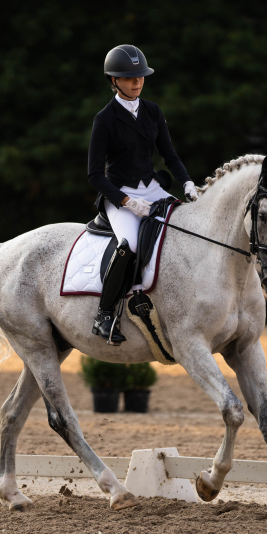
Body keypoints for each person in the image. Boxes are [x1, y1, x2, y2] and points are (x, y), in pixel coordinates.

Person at [87, 45, 198, 345]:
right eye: (129, 77)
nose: (137, 82)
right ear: (114, 80)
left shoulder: (152, 111)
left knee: (186, 229)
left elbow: (169, 155)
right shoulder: (105, 119)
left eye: (140, 76)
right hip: (119, 193)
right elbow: (95, 175)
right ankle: (105, 314)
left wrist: (187, 182)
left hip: (151, 187)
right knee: (130, 243)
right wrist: (126, 202)